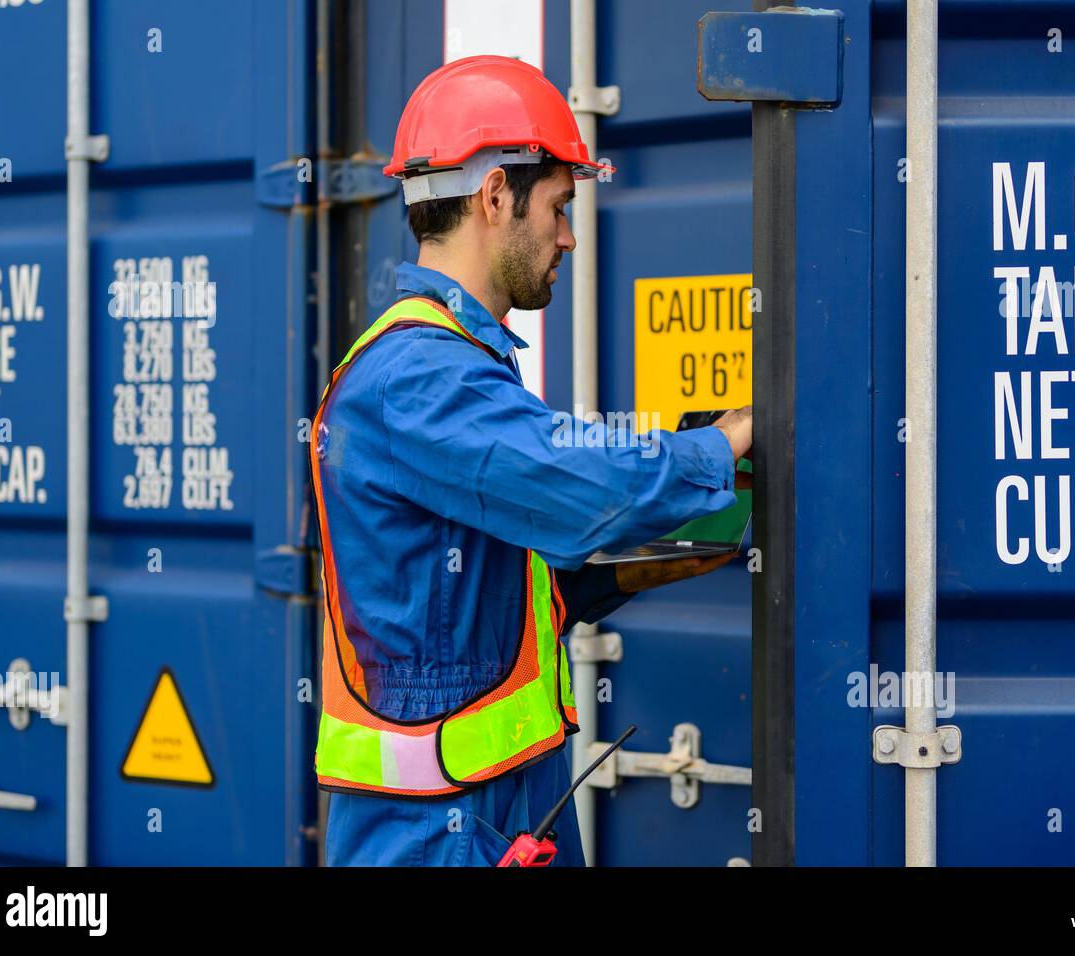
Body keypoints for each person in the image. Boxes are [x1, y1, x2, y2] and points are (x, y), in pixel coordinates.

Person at [310, 55, 753, 866]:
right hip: (434, 836)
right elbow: (575, 479)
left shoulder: (457, 367)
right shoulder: (419, 378)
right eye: (559, 206)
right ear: (494, 196)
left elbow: (467, 592)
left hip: (491, 812)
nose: (570, 236)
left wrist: (636, 566)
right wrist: (721, 444)